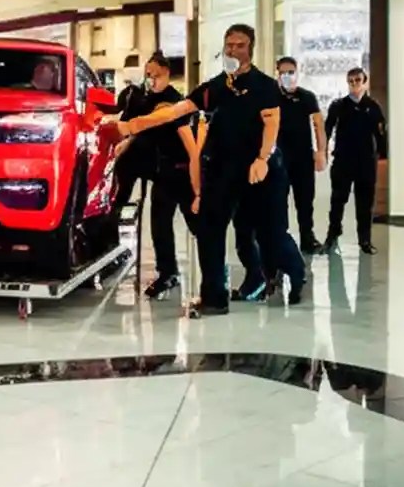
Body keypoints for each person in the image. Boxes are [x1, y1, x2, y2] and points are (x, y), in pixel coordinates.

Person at [111, 24, 306, 315]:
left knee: (270, 233)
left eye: (239, 45)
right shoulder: (216, 87)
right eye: (229, 44)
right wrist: (134, 125)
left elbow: (272, 123)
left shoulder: (264, 85)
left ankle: (296, 272)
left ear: (250, 48)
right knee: (209, 230)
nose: (233, 50)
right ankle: (214, 298)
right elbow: (177, 111)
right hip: (224, 169)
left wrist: (263, 158)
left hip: (261, 170)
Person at [112, 55, 200, 299]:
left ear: (166, 72)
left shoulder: (175, 102)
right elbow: (139, 128)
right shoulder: (146, 100)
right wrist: (126, 144)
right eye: (147, 74)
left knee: (197, 223)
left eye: (154, 74)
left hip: (181, 170)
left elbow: (190, 144)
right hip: (161, 171)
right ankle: (167, 273)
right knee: (160, 225)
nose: (150, 78)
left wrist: (197, 184)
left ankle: (213, 272)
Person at [323, 67, 387, 255]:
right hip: (343, 161)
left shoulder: (373, 107)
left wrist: (383, 156)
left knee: (365, 204)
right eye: (351, 81)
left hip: (366, 162)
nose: (354, 84)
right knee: (337, 200)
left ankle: (364, 240)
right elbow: (327, 130)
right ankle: (333, 234)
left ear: (364, 82)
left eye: (358, 80)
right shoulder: (339, 106)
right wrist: (322, 150)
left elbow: (381, 134)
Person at [275, 57, 328, 253]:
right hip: (279, 159)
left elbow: (318, 125)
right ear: (277, 74)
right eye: (283, 73)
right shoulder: (271, 96)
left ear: (297, 73)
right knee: (278, 201)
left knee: (305, 200)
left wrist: (321, 152)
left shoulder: (307, 97)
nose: (287, 76)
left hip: (303, 157)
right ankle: (281, 240)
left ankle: (308, 237)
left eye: (291, 72)